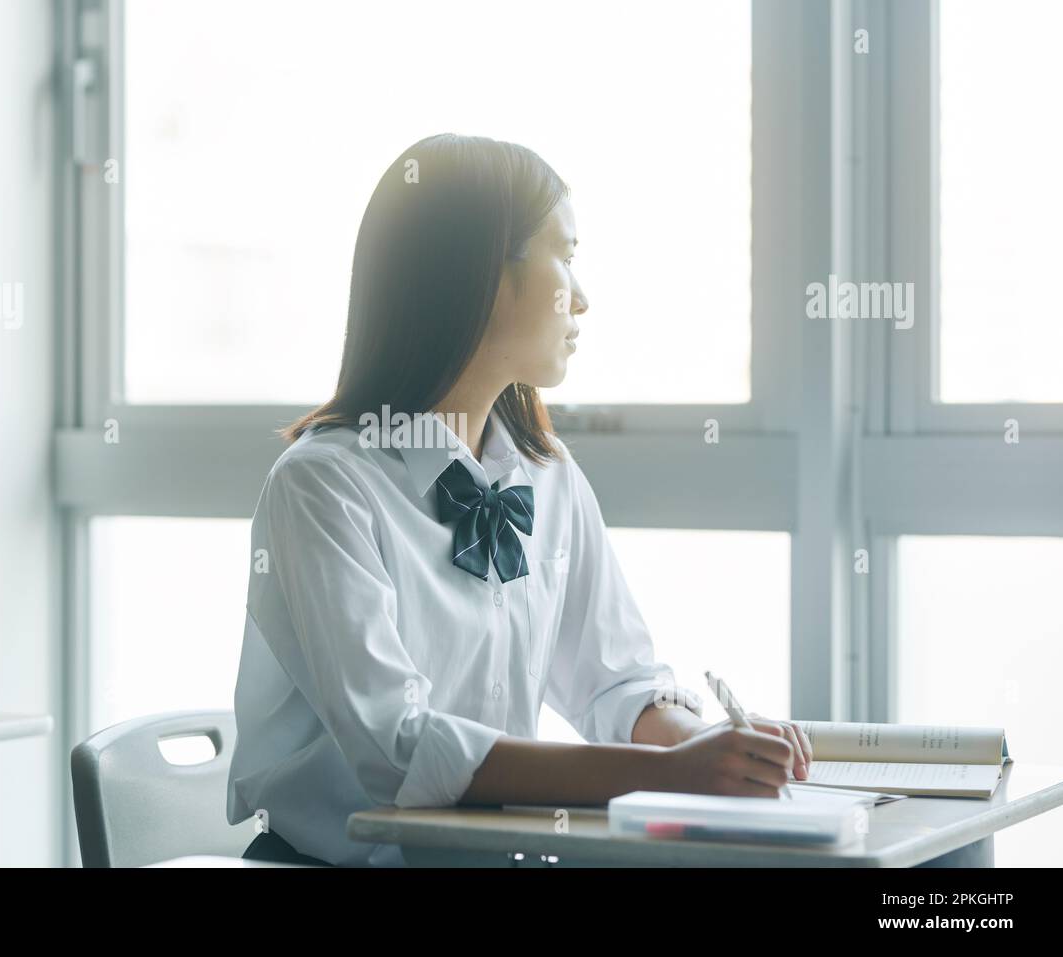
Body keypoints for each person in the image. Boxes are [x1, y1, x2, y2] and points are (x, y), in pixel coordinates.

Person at [226, 133, 812, 867]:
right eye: (565, 255)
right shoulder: (322, 484)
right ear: (482, 275)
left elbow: (618, 684)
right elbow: (398, 750)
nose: (584, 296)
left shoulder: (547, 473)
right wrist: (667, 775)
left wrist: (719, 749)